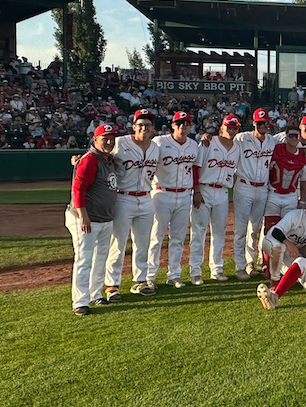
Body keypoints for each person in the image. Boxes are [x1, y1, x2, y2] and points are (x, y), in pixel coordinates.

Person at [104, 109, 159, 300]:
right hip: (123, 197)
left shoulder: (155, 147)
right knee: (118, 243)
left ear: (153, 128)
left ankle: (140, 280)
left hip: (146, 198)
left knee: (142, 242)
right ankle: (112, 285)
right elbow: (100, 154)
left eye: (148, 124)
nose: (144, 128)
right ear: (133, 126)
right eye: (140, 124)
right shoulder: (120, 143)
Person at [66, 123, 119, 316]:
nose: (109, 141)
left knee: (100, 258)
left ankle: (95, 293)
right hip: (87, 219)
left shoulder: (108, 159)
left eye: (112, 138)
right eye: (104, 138)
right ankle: (80, 301)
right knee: (84, 259)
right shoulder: (90, 160)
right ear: (95, 140)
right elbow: (78, 189)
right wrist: (83, 216)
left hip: (104, 218)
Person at [147, 111, 198, 289]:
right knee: (156, 237)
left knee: (177, 238)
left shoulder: (194, 145)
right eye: (179, 123)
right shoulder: (159, 142)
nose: (182, 127)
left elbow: (196, 170)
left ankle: (174, 275)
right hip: (162, 194)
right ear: (172, 126)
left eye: (186, 124)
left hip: (184, 195)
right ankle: (149, 276)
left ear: (190, 127)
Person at [189, 114, 242, 284]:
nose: (232, 130)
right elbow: (196, 167)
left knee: (219, 232)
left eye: (235, 127)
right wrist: (196, 191)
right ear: (222, 127)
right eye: (229, 127)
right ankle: (195, 271)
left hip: (222, 192)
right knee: (198, 231)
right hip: (204, 189)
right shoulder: (208, 142)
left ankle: (216, 269)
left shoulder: (237, 148)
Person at [232, 109, 275, 280]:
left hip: (262, 188)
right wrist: (208, 137)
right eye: (259, 123)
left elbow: (292, 140)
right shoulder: (242, 138)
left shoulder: (272, 140)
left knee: (255, 229)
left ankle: (250, 263)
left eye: (265, 123)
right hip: (244, 186)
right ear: (254, 123)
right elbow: (225, 141)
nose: (262, 126)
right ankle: (239, 266)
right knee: (241, 228)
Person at [259, 191, 306, 282]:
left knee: (300, 272)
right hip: (271, 241)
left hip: (290, 251)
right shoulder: (295, 215)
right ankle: (274, 281)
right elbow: (275, 232)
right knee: (279, 247)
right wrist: (288, 243)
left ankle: (278, 267)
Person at [264, 123, 306, 231]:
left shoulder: (304, 157)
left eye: (297, 136)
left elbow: (305, 181)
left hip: (291, 196)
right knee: (269, 228)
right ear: (285, 136)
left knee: (287, 229)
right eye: (291, 135)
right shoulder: (275, 150)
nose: (294, 138)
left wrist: (302, 201)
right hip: (273, 194)